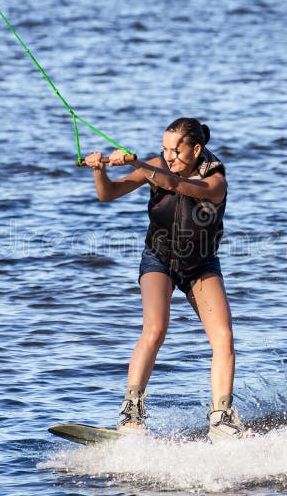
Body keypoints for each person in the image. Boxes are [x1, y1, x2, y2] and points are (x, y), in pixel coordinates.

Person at [83, 117, 250, 441]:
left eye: (176, 150)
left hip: (200, 264)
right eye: (164, 149)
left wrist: (139, 163)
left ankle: (222, 418)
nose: (169, 156)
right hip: (158, 258)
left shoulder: (215, 180)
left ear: (197, 149)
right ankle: (131, 412)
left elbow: (178, 186)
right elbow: (108, 195)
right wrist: (100, 170)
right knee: (155, 328)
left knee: (224, 337)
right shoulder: (157, 166)